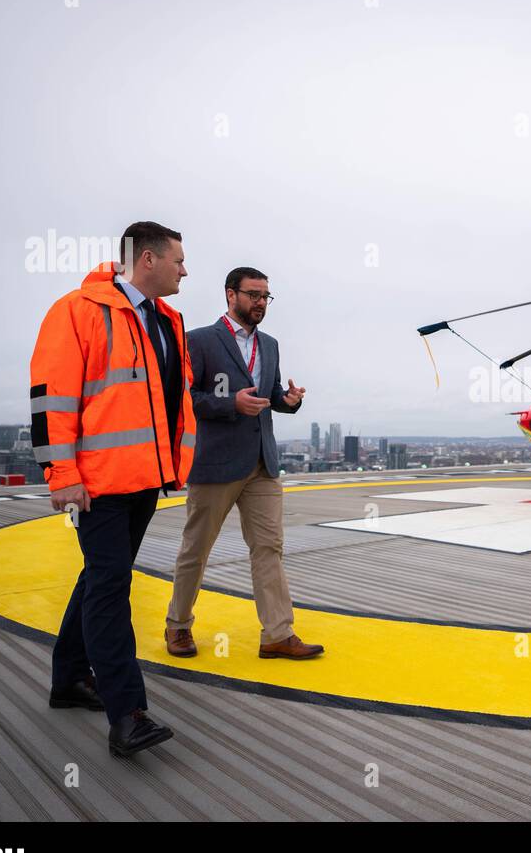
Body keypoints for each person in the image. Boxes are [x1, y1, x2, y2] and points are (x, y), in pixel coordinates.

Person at [31, 220, 196, 758]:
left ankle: (68, 681)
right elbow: (50, 399)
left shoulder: (167, 321)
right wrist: (62, 476)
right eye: (178, 260)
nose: (184, 270)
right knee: (109, 587)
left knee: (103, 576)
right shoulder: (77, 311)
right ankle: (128, 715)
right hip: (97, 484)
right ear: (147, 259)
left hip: (145, 479)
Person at [164, 267, 324, 660]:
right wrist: (229, 404)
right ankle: (178, 626)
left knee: (269, 548)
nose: (260, 302)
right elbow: (184, 399)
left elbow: (267, 396)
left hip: (262, 465)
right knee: (196, 549)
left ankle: (277, 634)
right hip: (215, 463)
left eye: (266, 296)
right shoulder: (198, 341)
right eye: (253, 294)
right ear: (230, 295)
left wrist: (290, 401)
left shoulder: (269, 345)